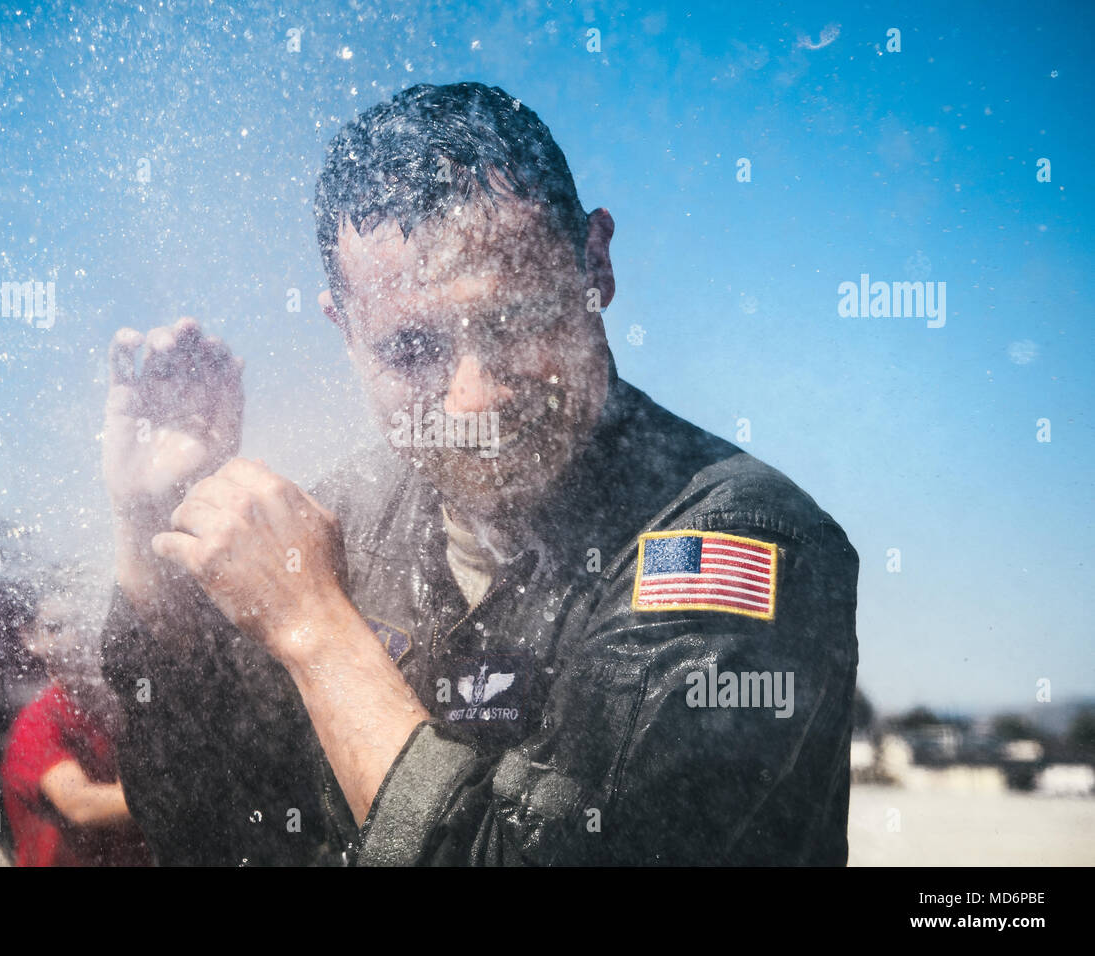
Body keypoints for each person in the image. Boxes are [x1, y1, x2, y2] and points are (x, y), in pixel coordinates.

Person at [99, 82, 859, 866]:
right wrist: (154, 536)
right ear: (345, 331)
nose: (473, 402)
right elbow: (211, 830)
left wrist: (315, 635)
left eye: (517, 320)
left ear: (595, 261)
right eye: (412, 349)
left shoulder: (732, 538)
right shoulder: (348, 524)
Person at [1, 567, 151, 866]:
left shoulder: (123, 708)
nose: (73, 636)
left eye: (81, 621)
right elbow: (79, 804)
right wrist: (168, 801)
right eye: (56, 627)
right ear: (32, 639)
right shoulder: (37, 724)